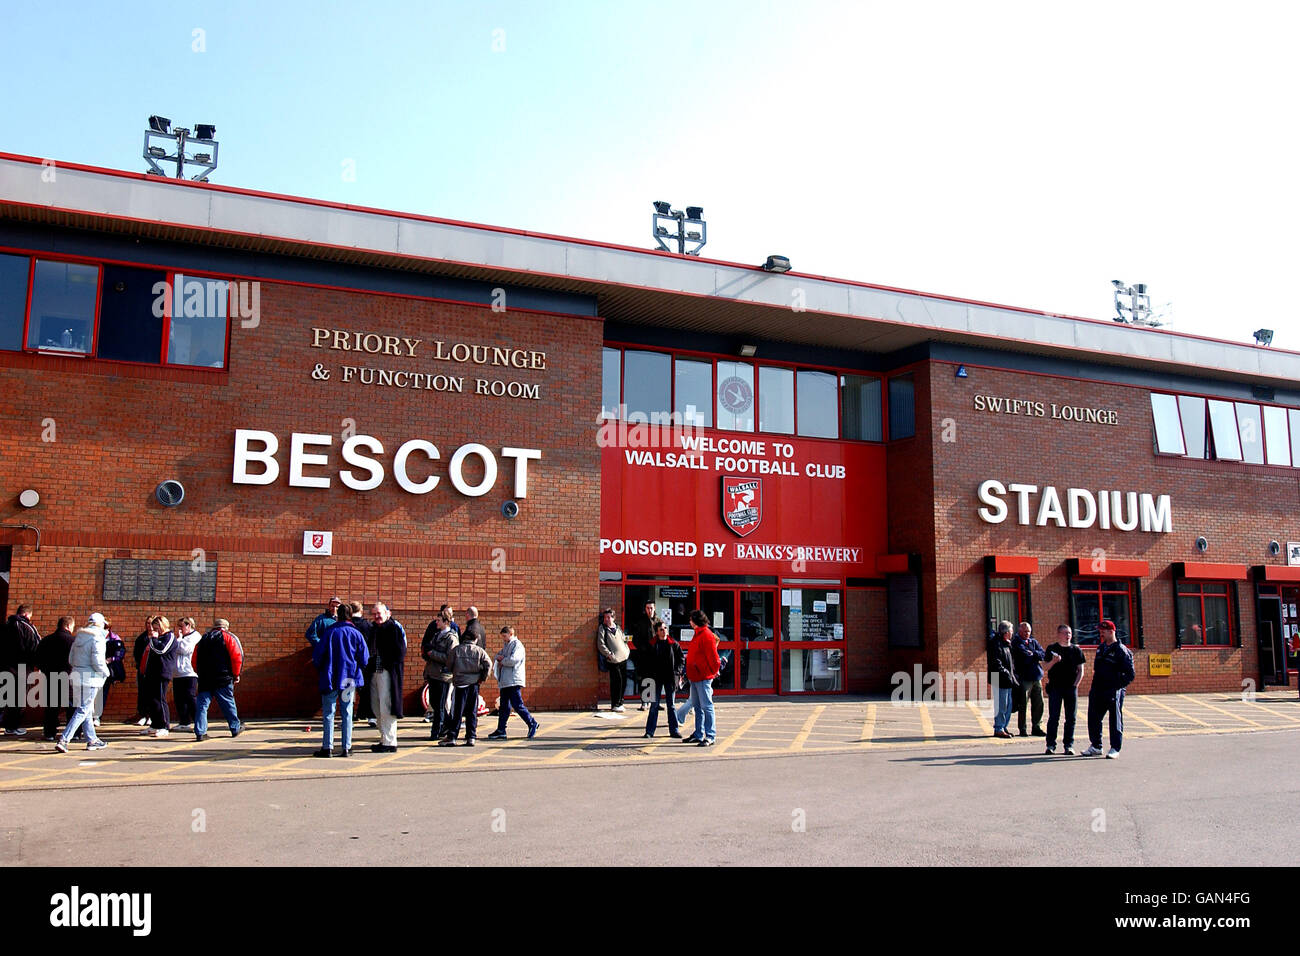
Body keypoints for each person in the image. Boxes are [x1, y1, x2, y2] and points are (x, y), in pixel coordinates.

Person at [312, 602, 369, 757]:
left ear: (338, 615)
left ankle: (327, 747)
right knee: (347, 712)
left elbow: (318, 656)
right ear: (351, 615)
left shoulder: (330, 632)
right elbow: (364, 658)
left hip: (330, 678)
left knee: (329, 713)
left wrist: (322, 669)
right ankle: (346, 747)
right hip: (349, 679)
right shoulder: (356, 633)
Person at [55, 613, 111, 753]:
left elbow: (71, 659)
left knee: (85, 709)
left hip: (77, 676)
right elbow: (97, 661)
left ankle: (92, 740)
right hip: (90, 678)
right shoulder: (98, 638)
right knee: (83, 709)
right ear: (100, 624)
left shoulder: (79, 636)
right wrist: (106, 672)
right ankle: (64, 740)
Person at [1082, 620, 1135, 758]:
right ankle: (1096, 746)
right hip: (1098, 688)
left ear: (1111, 631)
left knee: (1114, 718)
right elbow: (1097, 669)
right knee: (1093, 717)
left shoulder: (1121, 650)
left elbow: (1130, 674)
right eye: (1100, 631)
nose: (1101, 634)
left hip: (1113, 690)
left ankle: (1115, 748)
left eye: (1103, 631)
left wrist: (1116, 686)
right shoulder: (1101, 648)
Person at [440, 627, 493, 746]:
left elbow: (449, 665)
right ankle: (471, 737)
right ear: (475, 639)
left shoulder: (457, 650)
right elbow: (488, 664)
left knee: (457, 712)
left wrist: (455, 672)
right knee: (471, 711)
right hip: (473, 684)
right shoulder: (479, 651)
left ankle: (452, 736)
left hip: (460, 684)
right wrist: (482, 678)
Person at [193, 618, 244, 741]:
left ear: (214, 626)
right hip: (223, 678)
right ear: (226, 627)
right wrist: (236, 674)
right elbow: (237, 657)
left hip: (205, 678)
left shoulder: (203, 639)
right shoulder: (228, 638)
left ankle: (200, 732)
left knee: (202, 705)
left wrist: (198, 672)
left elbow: (194, 658)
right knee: (228, 703)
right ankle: (235, 728)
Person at [487, 626, 538, 740]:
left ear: (511, 634)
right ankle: (501, 730)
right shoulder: (506, 646)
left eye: (505, 636)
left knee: (517, 704)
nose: (503, 639)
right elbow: (497, 656)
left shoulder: (517, 645)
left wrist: (503, 660)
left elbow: (513, 660)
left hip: (513, 680)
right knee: (504, 706)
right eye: (502, 637)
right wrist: (500, 658)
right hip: (505, 680)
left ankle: (532, 723)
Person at [1042, 624, 1086, 755]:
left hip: (1070, 688)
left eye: (1069, 633)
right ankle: (1050, 745)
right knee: (1054, 717)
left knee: (1071, 718)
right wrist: (1054, 661)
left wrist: (1075, 685)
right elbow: (1045, 667)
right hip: (1055, 687)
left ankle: (1068, 745)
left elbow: (1081, 670)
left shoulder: (1076, 650)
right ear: (1058, 634)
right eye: (1065, 633)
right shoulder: (1052, 648)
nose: (1068, 636)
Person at [368, 603, 406, 752]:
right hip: (374, 673)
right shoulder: (373, 629)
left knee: (387, 707)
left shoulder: (393, 628)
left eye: (379, 613)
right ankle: (384, 738)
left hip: (387, 673)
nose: (377, 616)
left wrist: (389, 662)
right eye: (374, 614)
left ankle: (390, 742)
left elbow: (400, 652)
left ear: (387, 613)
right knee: (375, 707)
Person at [681, 609, 721, 746]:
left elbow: (715, 659)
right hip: (695, 677)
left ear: (696, 621)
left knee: (707, 706)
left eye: (691, 619)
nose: (689, 622)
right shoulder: (698, 634)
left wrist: (713, 672)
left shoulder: (706, 635)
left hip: (703, 677)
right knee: (697, 707)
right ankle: (698, 733)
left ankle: (710, 735)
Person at [1, 604, 41, 736]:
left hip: (5, 668)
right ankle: (12, 726)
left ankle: (6, 723)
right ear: (26, 615)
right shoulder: (28, 627)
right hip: (22, 670)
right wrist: (38, 665)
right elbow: (35, 647)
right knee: (19, 700)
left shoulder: (6, 626)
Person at [643, 618, 684, 739]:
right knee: (654, 705)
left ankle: (674, 730)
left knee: (671, 705)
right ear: (657, 632)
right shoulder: (652, 644)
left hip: (670, 678)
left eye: (665, 628)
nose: (664, 631)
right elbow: (646, 661)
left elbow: (681, 659)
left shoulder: (673, 644)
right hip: (655, 679)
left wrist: (677, 672)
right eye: (661, 629)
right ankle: (649, 731)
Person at [37, 615, 76, 741]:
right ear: (69, 626)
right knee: (71, 707)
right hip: (69, 677)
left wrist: (45, 671)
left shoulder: (46, 640)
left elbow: (38, 659)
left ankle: (49, 733)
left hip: (51, 677)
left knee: (51, 707)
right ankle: (73, 733)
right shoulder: (73, 641)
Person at [422, 611, 456, 741]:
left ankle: (436, 731)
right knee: (435, 703)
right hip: (433, 673)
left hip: (443, 675)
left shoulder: (451, 638)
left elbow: (449, 657)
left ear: (446, 622)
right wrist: (426, 653)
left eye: (439, 620)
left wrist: (432, 653)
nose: (436, 622)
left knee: (440, 705)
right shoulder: (436, 635)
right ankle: (449, 725)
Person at [1011, 621, 1046, 737]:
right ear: (1019, 631)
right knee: (1023, 704)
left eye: (1029, 631)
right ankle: (1023, 728)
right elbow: (1024, 655)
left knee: (1038, 703)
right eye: (1025, 631)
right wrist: (1033, 655)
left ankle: (1037, 727)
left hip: (1036, 676)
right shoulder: (1016, 642)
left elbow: (1043, 654)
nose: (1027, 634)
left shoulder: (1033, 641)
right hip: (1024, 678)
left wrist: (1034, 653)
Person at [141, 616, 174, 737]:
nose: (155, 631)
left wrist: (154, 640)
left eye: (157, 628)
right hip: (151, 672)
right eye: (153, 628)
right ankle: (155, 724)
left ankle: (164, 726)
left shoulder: (169, 637)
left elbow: (161, 650)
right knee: (152, 700)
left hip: (162, 672)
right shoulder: (156, 638)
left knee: (160, 699)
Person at [167, 617, 202, 731]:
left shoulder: (195, 636)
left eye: (181, 626)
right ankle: (184, 722)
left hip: (189, 672)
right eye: (178, 626)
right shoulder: (180, 638)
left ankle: (199, 721)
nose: (179, 629)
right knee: (179, 699)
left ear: (189, 625)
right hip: (177, 673)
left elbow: (184, 649)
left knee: (190, 697)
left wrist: (179, 639)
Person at [595, 607, 630, 712]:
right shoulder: (603, 628)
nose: (607, 619)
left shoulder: (617, 627)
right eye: (605, 617)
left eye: (609, 617)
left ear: (613, 618)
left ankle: (620, 702)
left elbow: (624, 639)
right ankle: (615, 704)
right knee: (616, 682)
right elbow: (600, 644)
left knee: (623, 681)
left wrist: (627, 650)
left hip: (623, 658)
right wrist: (608, 654)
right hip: (613, 660)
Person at [987, 620, 1018, 739]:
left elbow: (1010, 661)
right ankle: (999, 728)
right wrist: (1005, 673)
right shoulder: (995, 643)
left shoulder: (1006, 643)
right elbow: (996, 662)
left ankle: (1004, 726)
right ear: (1006, 632)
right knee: (1001, 705)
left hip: (1008, 678)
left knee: (1008, 705)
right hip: (999, 678)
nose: (1012, 633)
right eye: (1011, 631)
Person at [350, 601, 377, 726]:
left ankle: (352, 715)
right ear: (361, 611)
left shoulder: (347, 625)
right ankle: (370, 716)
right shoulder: (368, 626)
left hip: (350, 661)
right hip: (366, 661)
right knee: (366, 689)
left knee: (349, 690)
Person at [95, 625, 127, 726]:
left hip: (106, 670)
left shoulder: (115, 639)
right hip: (95, 669)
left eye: (105, 628)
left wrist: (111, 659)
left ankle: (97, 717)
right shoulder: (94, 637)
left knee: (102, 694)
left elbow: (120, 653)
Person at [629, 600, 657, 711]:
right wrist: (643, 648)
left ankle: (654, 702)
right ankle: (645, 702)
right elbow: (636, 639)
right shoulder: (641, 622)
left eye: (651, 608)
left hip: (656, 655)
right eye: (647, 608)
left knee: (655, 679)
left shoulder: (658, 622)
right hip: (644, 656)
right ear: (645, 609)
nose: (649, 610)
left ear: (654, 608)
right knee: (645, 679)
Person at [132, 618, 151, 726]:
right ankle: (143, 715)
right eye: (147, 623)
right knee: (142, 693)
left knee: (151, 694)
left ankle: (151, 716)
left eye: (151, 623)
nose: (149, 626)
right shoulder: (141, 638)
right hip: (142, 669)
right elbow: (136, 653)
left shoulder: (157, 638)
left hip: (152, 671)